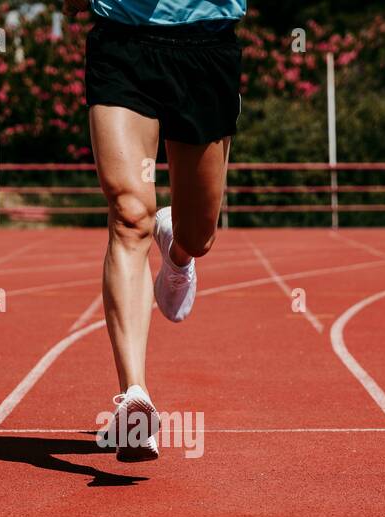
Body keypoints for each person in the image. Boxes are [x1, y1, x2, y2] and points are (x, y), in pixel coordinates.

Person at [67, 0, 246, 462]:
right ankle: (134, 395)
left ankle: (178, 251)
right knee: (129, 214)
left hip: (207, 46)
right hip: (122, 42)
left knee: (199, 235)